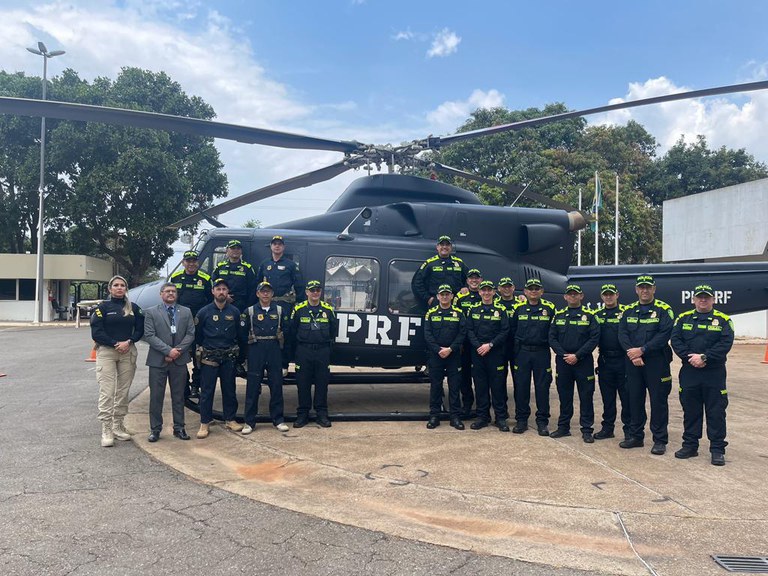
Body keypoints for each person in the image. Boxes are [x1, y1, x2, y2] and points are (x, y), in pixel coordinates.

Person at [671, 284, 734, 466]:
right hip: (690, 371)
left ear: (713, 299)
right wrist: (691, 358)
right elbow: (676, 340)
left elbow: (725, 343)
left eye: (707, 297)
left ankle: (717, 449)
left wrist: (705, 357)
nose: (703, 300)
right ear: (694, 300)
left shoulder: (723, 320)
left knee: (716, 411)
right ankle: (690, 445)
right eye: (700, 297)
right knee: (691, 410)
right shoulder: (683, 319)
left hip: (714, 372)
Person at [618, 274, 674, 455]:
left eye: (648, 287)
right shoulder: (628, 311)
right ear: (636, 290)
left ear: (654, 289)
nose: (644, 290)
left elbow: (664, 335)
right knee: (634, 399)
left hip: (656, 361)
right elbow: (622, 334)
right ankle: (636, 436)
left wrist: (642, 350)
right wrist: (633, 354)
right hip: (633, 361)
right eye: (641, 287)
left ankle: (659, 440)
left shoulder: (664, 309)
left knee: (658, 400)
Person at [90, 275, 145, 448]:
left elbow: (140, 330)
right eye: (116, 285)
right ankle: (106, 428)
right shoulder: (102, 308)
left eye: (122, 285)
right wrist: (115, 343)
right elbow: (96, 332)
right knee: (107, 391)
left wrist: (128, 342)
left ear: (126, 289)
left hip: (128, 351)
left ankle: (118, 425)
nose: (119, 288)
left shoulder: (134, 308)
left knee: (122, 391)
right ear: (110, 289)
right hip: (107, 351)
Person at [194, 278, 247, 439]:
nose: (221, 292)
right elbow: (197, 336)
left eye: (224, 289)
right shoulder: (204, 312)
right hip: (209, 357)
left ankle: (230, 419)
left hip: (228, 357)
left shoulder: (235, 312)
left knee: (229, 390)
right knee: (207, 391)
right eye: (218, 289)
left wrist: (240, 359)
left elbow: (241, 336)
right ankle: (205, 422)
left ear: (227, 292)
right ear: (213, 292)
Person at [142, 283, 195, 442]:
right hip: (158, 361)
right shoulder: (151, 312)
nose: (171, 294)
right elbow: (149, 335)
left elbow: (191, 333)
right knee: (156, 397)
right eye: (167, 291)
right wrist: (167, 351)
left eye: (173, 291)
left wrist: (177, 351)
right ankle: (155, 429)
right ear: (161, 294)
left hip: (179, 361)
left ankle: (179, 428)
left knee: (178, 396)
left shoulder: (186, 312)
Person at [548, 284, 600, 442]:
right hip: (563, 362)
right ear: (565, 297)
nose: (572, 297)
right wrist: (564, 355)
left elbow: (594, 338)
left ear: (581, 296)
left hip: (583, 362)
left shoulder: (590, 316)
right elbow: (552, 337)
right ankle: (564, 427)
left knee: (586, 396)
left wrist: (577, 355)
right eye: (569, 294)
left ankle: (586, 429)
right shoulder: (558, 315)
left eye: (575, 294)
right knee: (564, 395)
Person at [241, 281, 290, 434]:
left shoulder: (281, 311)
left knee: (276, 386)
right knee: (253, 387)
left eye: (268, 291)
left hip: (274, 349)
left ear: (272, 294)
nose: (265, 294)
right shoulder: (249, 311)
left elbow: (287, 334)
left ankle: (278, 419)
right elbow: (242, 335)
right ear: (257, 294)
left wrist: (284, 362)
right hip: (256, 349)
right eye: (262, 291)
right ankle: (249, 422)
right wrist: (244, 357)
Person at [510, 278, 556, 435]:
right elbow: (513, 330)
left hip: (541, 352)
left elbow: (554, 331)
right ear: (525, 292)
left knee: (542, 388)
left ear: (542, 291)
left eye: (537, 288)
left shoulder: (549, 309)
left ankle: (542, 421)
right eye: (531, 289)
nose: (534, 291)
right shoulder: (519, 309)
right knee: (521, 387)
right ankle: (521, 420)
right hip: (523, 353)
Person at [290, 280, 338, 428]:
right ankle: (302, 414)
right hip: (304, 351)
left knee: (322, 383)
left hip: (322, 351)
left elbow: (333, 331)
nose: (315, 293)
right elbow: (292, 331)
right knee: (302, 383)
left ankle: (321, 414)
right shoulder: (298, 309)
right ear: (306, 292)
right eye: (312, 290)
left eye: (317, 290)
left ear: (321, 292)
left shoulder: (328, 309)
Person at [257, 235, 305, 376]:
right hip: (267, 304)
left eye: (279, 244)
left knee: (285, 333)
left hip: (285, 304)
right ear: (271, 247)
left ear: (283, 247)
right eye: (274, 244)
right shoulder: (265, 264)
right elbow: (257, 284)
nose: (277, 246)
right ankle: (266, 364)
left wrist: (299, 305)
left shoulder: (291, 265)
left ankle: (284, 364)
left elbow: (300, 286)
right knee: (267, 333)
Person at [466, 280, 510, 431]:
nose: (486, 293)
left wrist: (490, 345)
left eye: (488, 290)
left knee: (498, 387)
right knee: (480, 386)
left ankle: (501, 418)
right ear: (479, 292)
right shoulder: (473, 309)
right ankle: (482, 417)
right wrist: (479, 346)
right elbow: (469, 330)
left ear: (493, 292)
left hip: (495, 353)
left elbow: (505, 330)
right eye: (483, 290)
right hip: (478, 353)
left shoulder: (501, 309)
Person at [423, 284, 467, 430]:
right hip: (436, 355)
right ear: (437, 296)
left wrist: (450, 349)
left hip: (453, 355)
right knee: (436, 386)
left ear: (452, 296)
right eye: (442, 294)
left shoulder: (459, 313)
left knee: (454, 387)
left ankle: (455, 416)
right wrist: (438, 350)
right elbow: (427, 335)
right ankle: (434, 416)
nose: (445, 296)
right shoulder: (431, 313)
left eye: (447, 294)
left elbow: (462, 334)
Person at [170, 250, 212, 398]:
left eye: (194, 261)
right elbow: (170, 300)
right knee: (180, 356)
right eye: (188, 261)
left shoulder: (206, 278)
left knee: (199, 356)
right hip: (181, 324)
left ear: (198, 263)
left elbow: (210, 302)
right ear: (183, 263)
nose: (191, 263)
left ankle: (196, 385)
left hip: (199, 325)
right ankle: (184, 385)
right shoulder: (175, 278)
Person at [592, 283, 631, 441]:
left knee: (626, 397)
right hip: (605, 360)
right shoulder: (596, 314)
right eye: (605, 294)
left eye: (611, 294)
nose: (608, 297)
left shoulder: (626, 313)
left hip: (623, 360)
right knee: (607, 398)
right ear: (602, 296)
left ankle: (629, 430)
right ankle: (607, 428)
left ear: (617, 295)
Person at [411, 235, 469, 310]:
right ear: (437, 247)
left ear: (451, 247)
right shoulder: (430, 263)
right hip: (436, 303)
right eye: (442, 244)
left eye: (447, 245)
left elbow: (472, 279)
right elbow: (416, 282)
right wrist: (428, 298)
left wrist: (465, 287)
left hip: (456, 303)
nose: (444, 247)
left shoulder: (459, 263)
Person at [455, 268, 483, 416]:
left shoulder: (487, 294)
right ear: (467, 281)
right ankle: (467, 404)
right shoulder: (460, 297)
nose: (474, 280)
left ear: (481, 280)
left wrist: (521, 297)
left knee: (479, 376)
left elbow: (505, 300)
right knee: (464, 376)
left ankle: (482, 407)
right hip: (465, 344)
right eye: (471, 278)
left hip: (480, 343)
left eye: (476, 278)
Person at [213, 239, 257, 311]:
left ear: (241, 251)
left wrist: (248, 307)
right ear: (227, 250)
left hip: (241, 305)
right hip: (222, 303)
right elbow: (213, 284)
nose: (235, 250)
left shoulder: (247, 268)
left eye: (238, 248)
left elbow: (253, 289)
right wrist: (225, 296)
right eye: (233, 248)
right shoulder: (220, 267)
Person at [495, 277, 518, 397]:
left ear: (513, 288)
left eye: (509, 286)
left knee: (518, 379)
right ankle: (502, 408)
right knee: (499, 379)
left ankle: (520, 409)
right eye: (504, 287)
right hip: (500, 347)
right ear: (499, 289)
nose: (507, 289)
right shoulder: (495, 304)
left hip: (516, 347)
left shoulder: (521, 303)